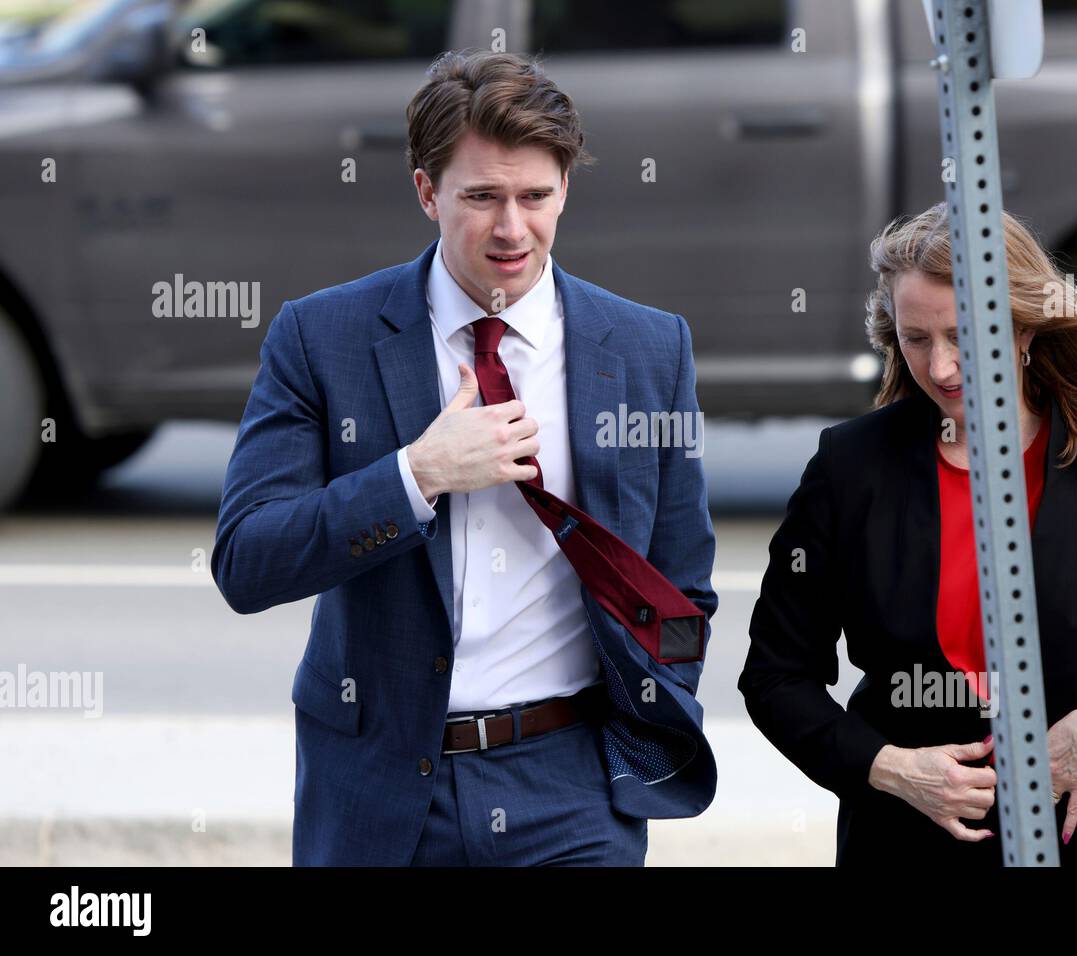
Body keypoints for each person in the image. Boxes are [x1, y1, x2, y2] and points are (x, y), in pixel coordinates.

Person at [212, 50, 718, 866]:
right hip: (383, 790)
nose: (512, 228)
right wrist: (416, 476)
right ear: (426, 192)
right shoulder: (321, 337)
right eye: (481, 197)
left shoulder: (651, 348)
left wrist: (645, 721)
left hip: (572, 788)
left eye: (534, 196)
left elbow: (681, 578)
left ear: (566, 190)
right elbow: (246, 561)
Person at [739, 201, 1077, 867]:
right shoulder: (851, 467)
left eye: (965, 335)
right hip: (907, 842)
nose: (942, 368)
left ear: (1025, 329)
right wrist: (889, 768)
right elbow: (775, 677)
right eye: (917, 339)